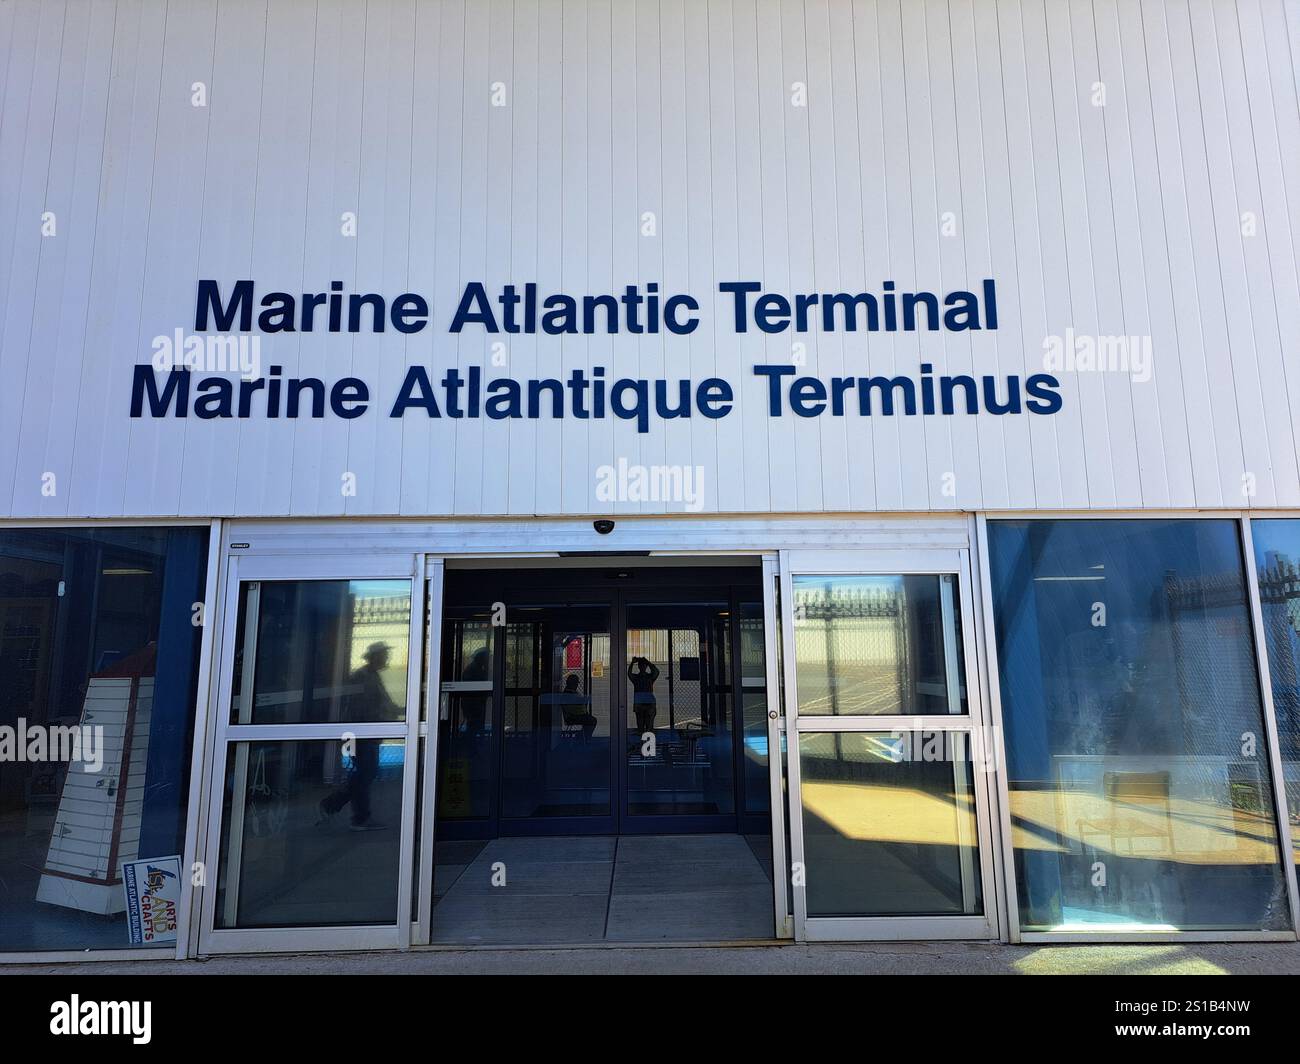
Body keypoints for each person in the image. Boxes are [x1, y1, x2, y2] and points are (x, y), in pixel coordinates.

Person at [318, 642, 395, 831]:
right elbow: (364, 708)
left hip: (363, 733)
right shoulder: (363, 677)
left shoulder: (371, 676)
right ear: (375, 657)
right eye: (384, 655)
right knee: (365, 773)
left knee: (364, 773)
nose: (386, 658)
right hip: (360, 734)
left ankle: (334, 805)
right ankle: (358, 817)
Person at [558, 672, 598, 740]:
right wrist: (585, 699)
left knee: (590, 720)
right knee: (592, 721)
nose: (576, 685)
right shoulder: (568, 693)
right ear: (571, 683)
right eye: (575, 683)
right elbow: (577, 702)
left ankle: (583, 736)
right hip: (573, 716)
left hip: (577, 715)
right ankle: (583, 737)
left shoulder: (571, 692)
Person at [627, 655, 660, 733]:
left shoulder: (649, 677)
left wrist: (647, 662)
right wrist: (632, 663)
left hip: (647, 702)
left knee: (649, 724)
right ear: (639, 667)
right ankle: (642, 736)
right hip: (641, 702)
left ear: (646, 667)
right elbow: (629, 674)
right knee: (640, 722)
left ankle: (647, 736)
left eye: (643, 665)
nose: (642, 667)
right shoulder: (637, 678)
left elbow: (656, 672)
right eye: (641, 665)